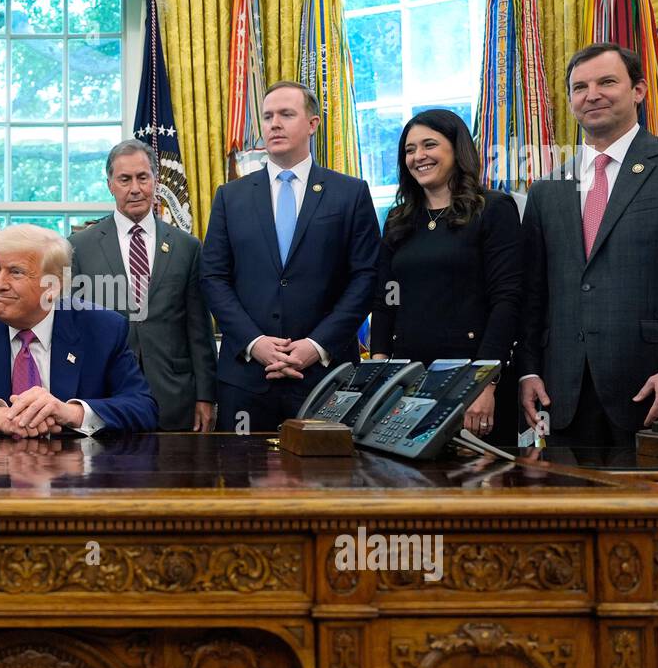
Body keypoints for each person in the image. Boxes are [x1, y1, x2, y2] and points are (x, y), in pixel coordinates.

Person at [519, 42, 658, 448]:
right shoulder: (546, 188)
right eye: (580, 87)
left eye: (607, 82)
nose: (592, 94)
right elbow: (533, 294)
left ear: (639, 90)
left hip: (657, 392)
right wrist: (529, 371)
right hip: (563, 395)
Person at [200, 81, 380, 431]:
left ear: (313, 124)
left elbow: (367, 277)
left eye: (286, 114)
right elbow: (213, 278)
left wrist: (316, 345)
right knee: (244, 481)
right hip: (247, 377)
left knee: (325, 483)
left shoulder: (350, 193)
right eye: (267, 117)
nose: (274, 124)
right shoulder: (230, 197)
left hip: (327, 376)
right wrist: (256, 343)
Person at [0, 224, 158, 436]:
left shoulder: (102, 328)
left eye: (15, 272)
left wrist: (71, 413)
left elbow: (143, 409)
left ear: (54, 285)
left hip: (75, 482)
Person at [369, 109, 521, 444]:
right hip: (408, 384)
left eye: (429, 145)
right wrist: (379, 373)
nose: (418, 156)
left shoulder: (493, 209)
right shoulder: (398, 220)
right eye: (409, 150)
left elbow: (507, 300)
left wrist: (484, 382)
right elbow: (384, 300)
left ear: (457, 148)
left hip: (472, 382)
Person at [68, 139, 217, 431]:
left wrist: (206, 396)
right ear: (110, 184)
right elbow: (72, 327)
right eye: (125, 179)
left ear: (156, 181)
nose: (135, 188)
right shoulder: (78, 247)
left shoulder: (187, 247)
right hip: (103, 396)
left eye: (143, 177)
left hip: (174, 396)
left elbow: (199, 329)